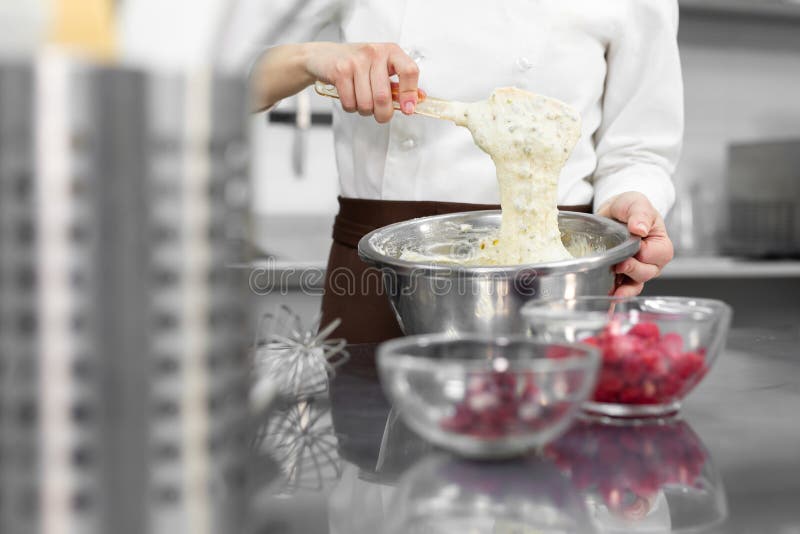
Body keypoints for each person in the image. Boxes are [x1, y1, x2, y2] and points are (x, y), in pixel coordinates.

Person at [227, 0, 682, 343]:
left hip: (556, 278)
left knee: (553, 460)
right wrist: (309, 58)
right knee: (375, 458)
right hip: (379, 276)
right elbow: (218, 77)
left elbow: (638, 150)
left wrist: (632, 200)